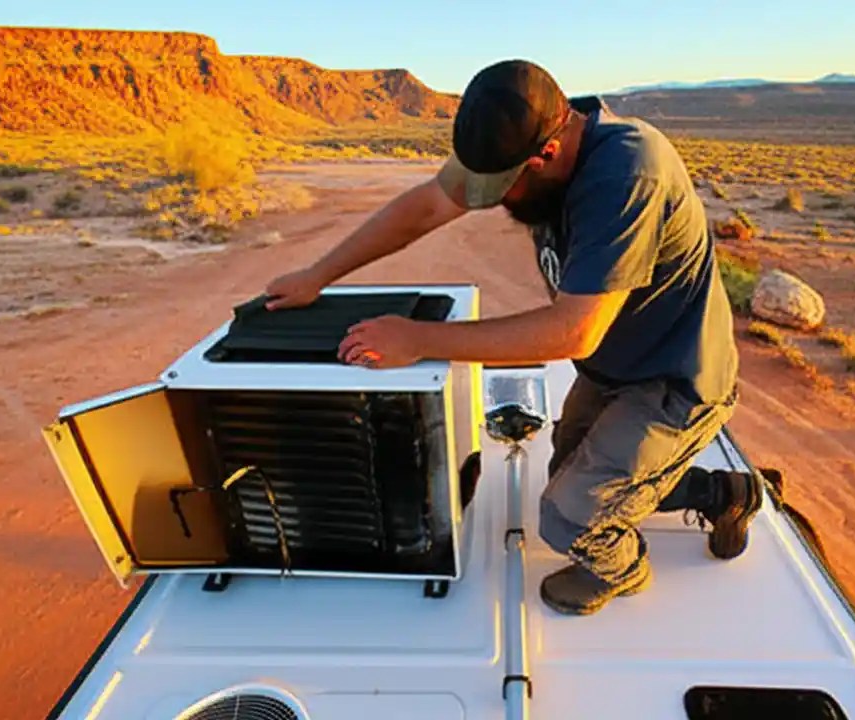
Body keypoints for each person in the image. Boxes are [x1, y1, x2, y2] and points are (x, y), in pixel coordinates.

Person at [263, 59, 761, 616]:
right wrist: (318, 275)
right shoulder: (533, 135)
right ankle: (723, 494)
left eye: (503, 189)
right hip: (618, 369)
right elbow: (426, 206)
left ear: (544, 155)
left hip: (674, 381)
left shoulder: (626, 175)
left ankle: (627, 570)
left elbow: (574, 332)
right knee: (568, 479)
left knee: (568, 517)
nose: (496, 201)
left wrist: (418, 339)